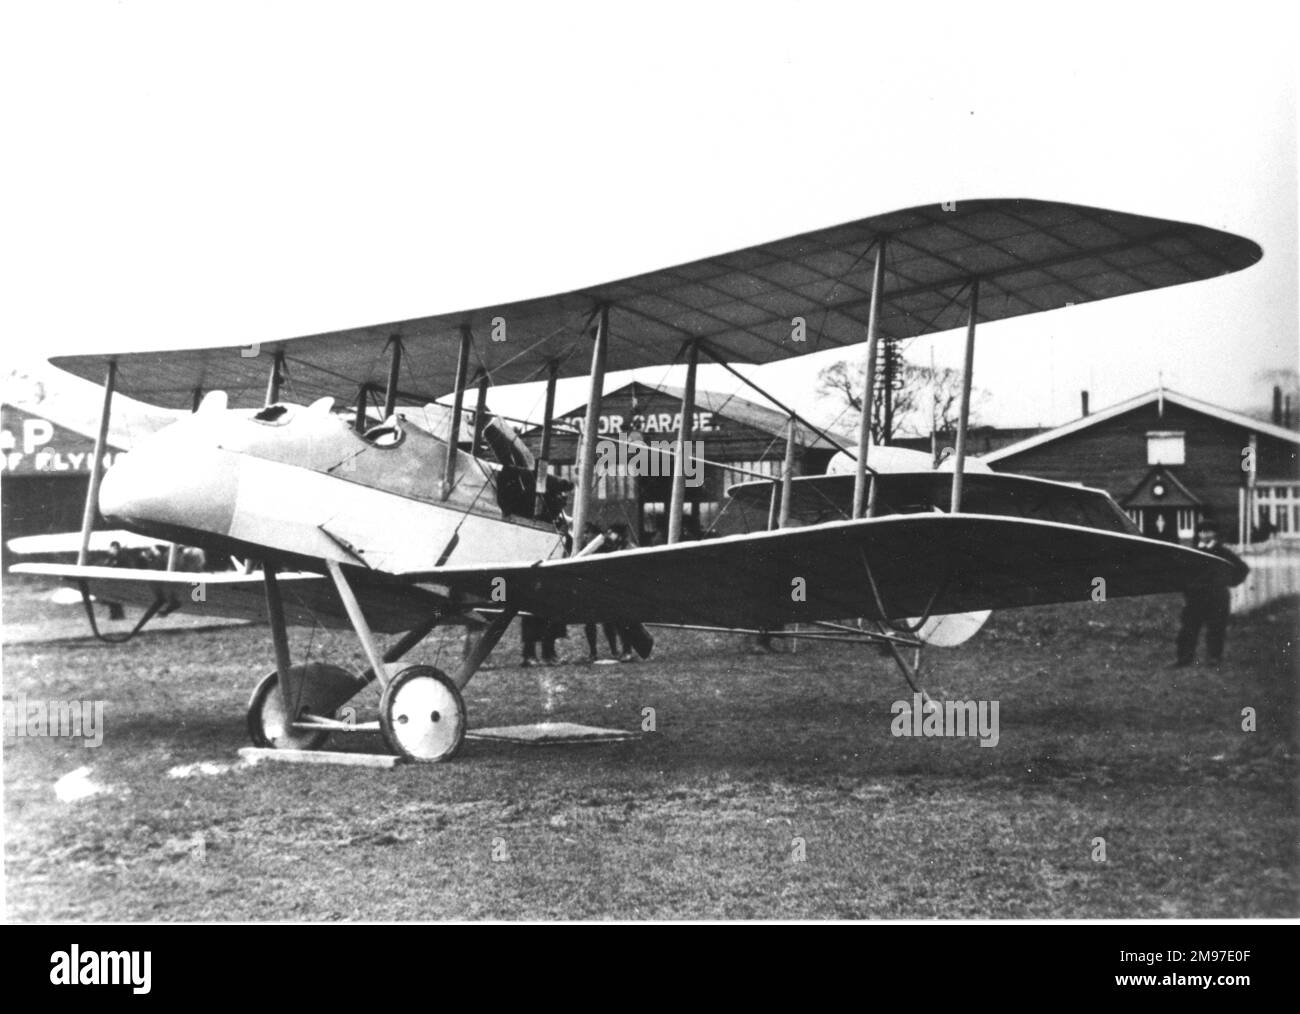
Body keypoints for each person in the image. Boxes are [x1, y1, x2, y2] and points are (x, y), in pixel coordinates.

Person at [1173, 518, 1250, 667]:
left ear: (1215, 533)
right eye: (1201, 531)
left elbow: (1242, 569)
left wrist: (1228, 582)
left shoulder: (1223, 552)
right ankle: (1183, 658)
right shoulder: (1193, 552)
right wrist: (1188, 588)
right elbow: (1183, 572)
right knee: (1188, 628)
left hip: (1217, 597)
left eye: (1208, 531)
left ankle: (1214, 658)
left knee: (1216, 628)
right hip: (1195, 597)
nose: (1205, 534)